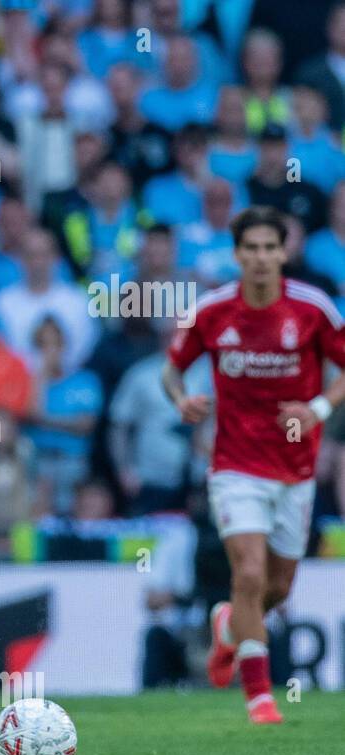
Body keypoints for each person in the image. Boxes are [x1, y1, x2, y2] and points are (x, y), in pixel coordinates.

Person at [163, 206, 345, 725]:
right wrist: (181, 400)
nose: (262, 258)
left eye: (271, 247)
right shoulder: (213, 311)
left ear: (283, 253)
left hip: (296, 468)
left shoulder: (313, 310)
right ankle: (260, 698)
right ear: (238, 254)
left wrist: (319, 409)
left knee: (278, 588)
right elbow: (171, 371)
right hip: (235, 465)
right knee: (248, 571)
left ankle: (227, 629)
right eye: (253, 249)